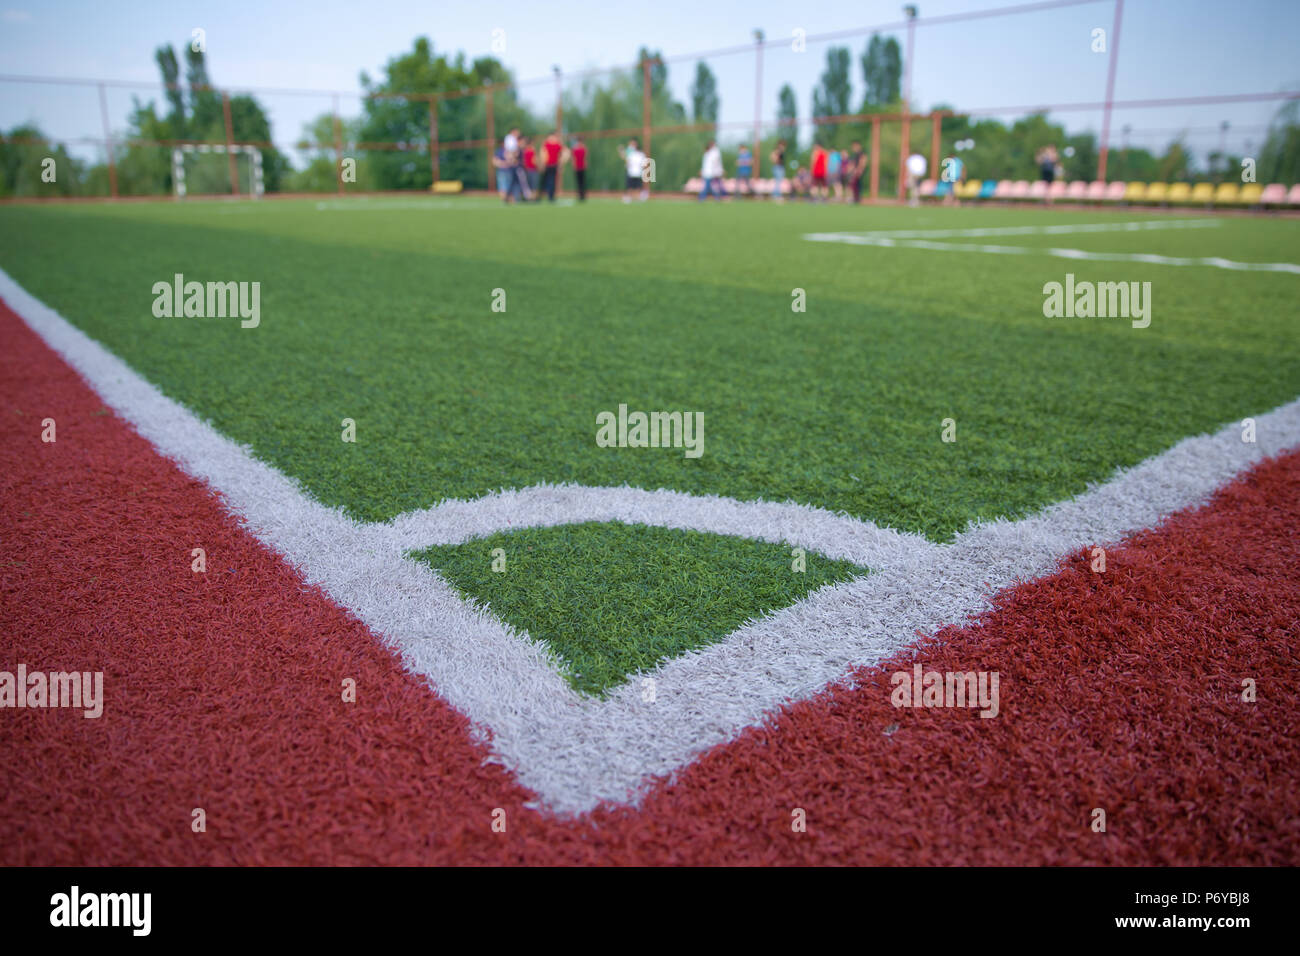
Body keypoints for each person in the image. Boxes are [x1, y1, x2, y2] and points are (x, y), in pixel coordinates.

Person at [618, 137, 648, 203]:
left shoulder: (640, 153)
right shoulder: (630, 152)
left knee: (637, 188)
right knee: (630, 188)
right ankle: (630, 198)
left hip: (637, 173)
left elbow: (643, 163)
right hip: (631, 172)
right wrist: (621, 151)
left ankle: (639, 198)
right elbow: (624, 157)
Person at [541, 129, 566, 202]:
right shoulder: (556, 144)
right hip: (553, 164)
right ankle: (550, 196)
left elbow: (543, 154)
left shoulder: (547, 144)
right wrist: (561, 162)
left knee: (550, 180)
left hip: (550, 164)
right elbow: (566, 153)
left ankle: (550, 196)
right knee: (551, 180)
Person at [492, 139, 517, 204]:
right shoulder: (499, 151)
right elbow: (495, 161)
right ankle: (504, 200)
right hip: (502, 171)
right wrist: (503, 164)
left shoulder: (508, 151)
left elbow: (512, 160)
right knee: (503, 186)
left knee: (507, 186)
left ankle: (508, 199)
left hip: (508, 171)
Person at [571, 136, 587, 202]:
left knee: (582, 181)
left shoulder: (583, 148)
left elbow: (585, 157)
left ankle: (583, 195)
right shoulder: (576, 148)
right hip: (577, 166)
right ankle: (580, 195)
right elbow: (573, 158)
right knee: (579, 182)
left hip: (582, 166)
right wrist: (574, 165)